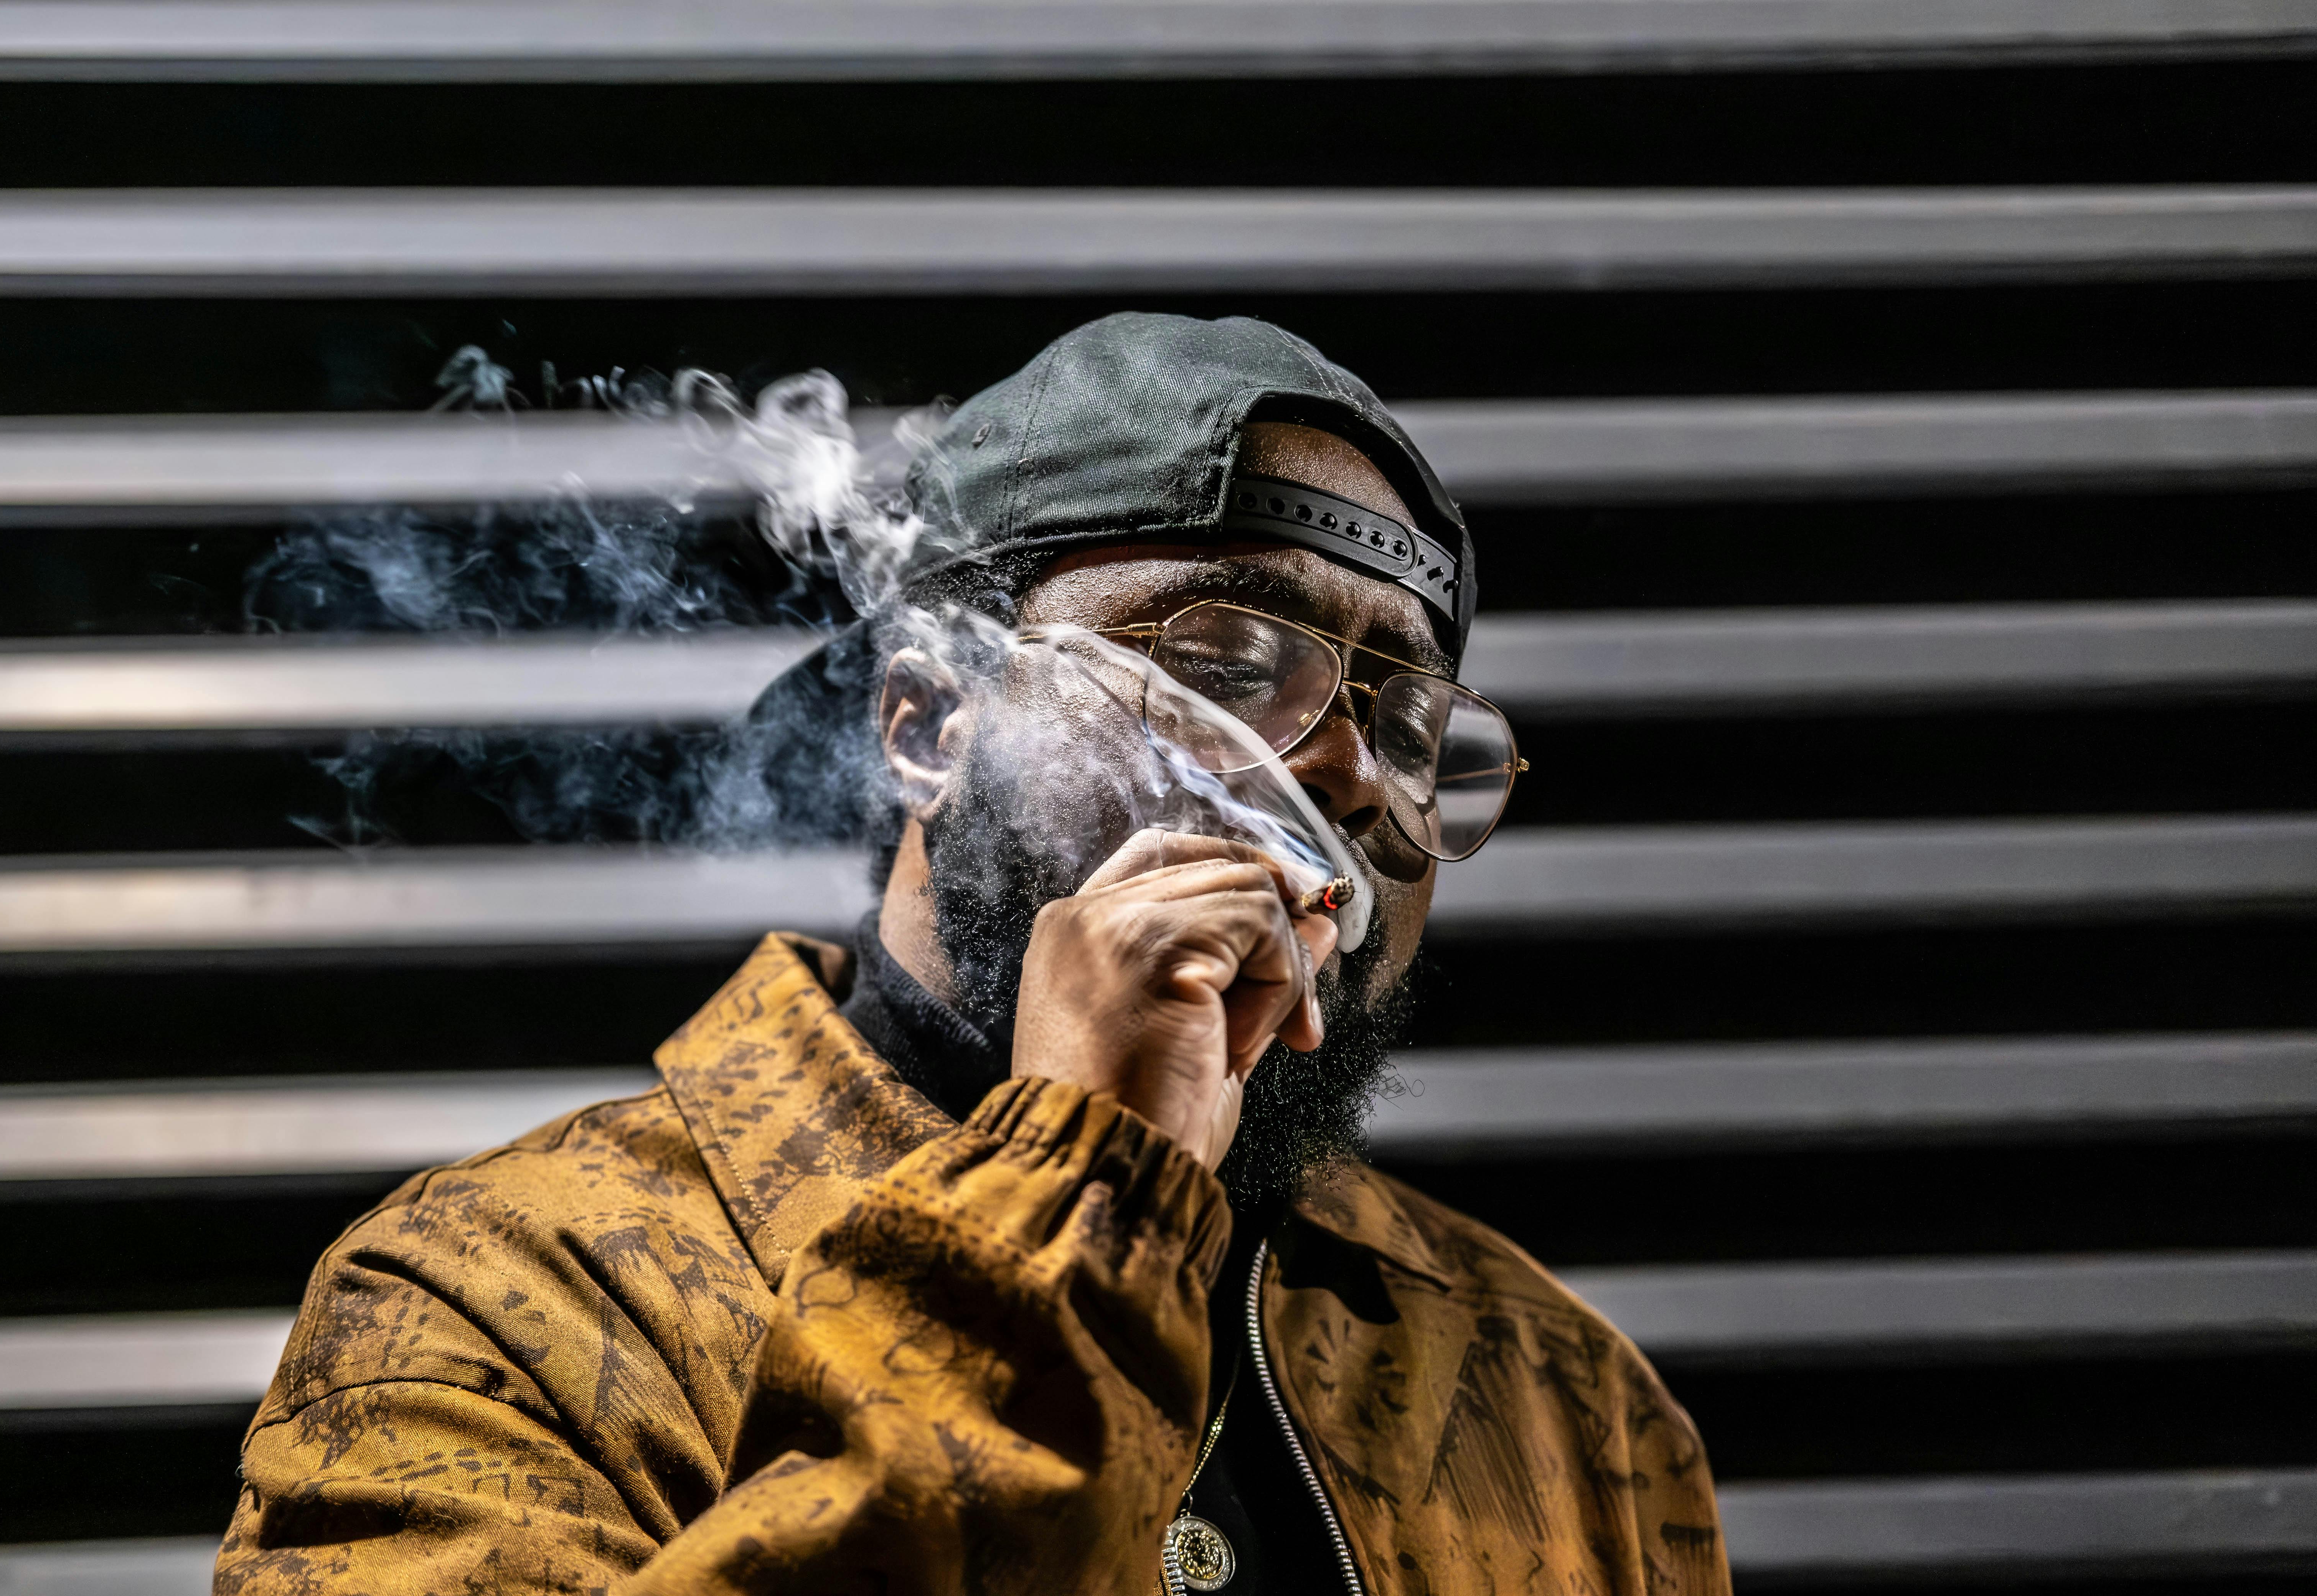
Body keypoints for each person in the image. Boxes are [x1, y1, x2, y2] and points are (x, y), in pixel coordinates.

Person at [215, 313, 1728, 1596]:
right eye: (1219, 663)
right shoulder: (498, 1309)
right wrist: (1086, 1176)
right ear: (928, 725)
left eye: (1408, 725)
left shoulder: (1557, 1391)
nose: (1347, 775)